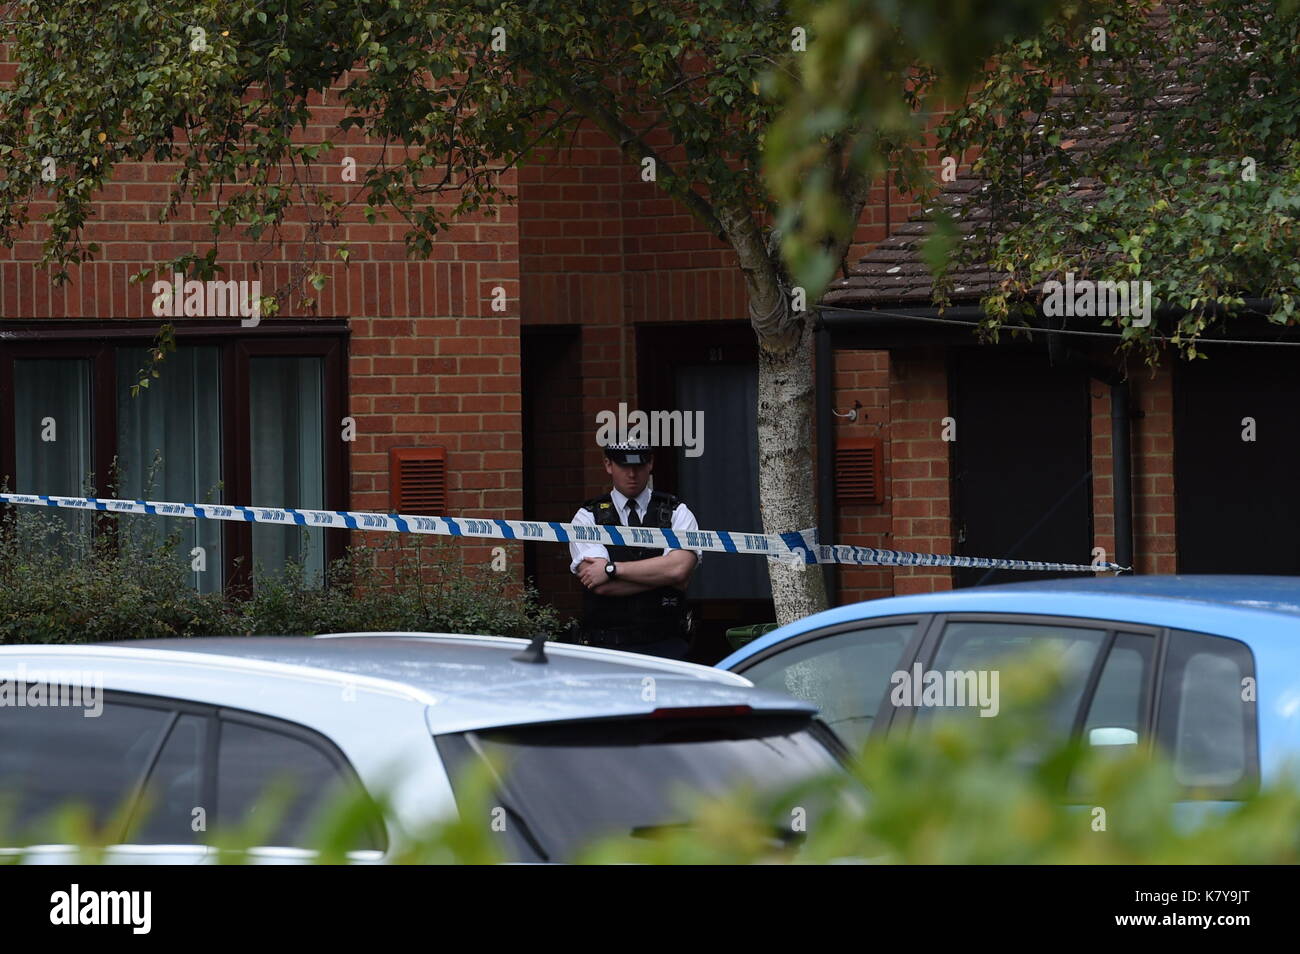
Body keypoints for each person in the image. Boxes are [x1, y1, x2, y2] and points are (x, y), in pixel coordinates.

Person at [569, 442, 702, 659]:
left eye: (639, 466)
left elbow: (678, 571)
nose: (632, 474)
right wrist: (661, 575)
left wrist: (612, 569)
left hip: (667, 646)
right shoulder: (587, 517)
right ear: (608, 465)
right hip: (607, 648)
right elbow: (600, 585)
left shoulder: (677, 512)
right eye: (623, 466)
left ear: (650, 464)